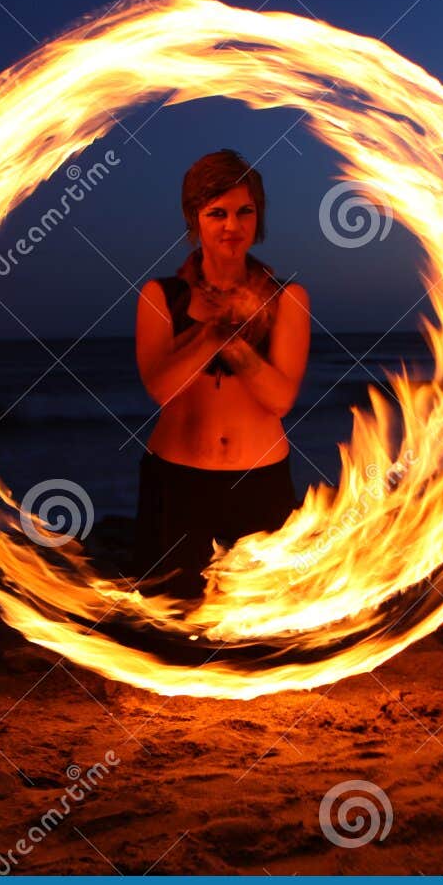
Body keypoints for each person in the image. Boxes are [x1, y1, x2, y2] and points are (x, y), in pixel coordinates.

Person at [130, 149, 312, 601]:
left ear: (259, 216)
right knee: (169, 625)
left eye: (244, 211)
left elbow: (280, 398)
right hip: (176, 486)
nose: (232, 225)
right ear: (195, 217)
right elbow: (161, 388)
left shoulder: (289, 298)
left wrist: (237, 343)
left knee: (262, 630)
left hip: (261, 486)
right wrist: (216, 330)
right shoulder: (160, 297)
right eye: (217, 213)